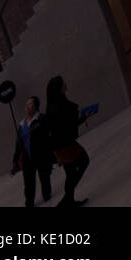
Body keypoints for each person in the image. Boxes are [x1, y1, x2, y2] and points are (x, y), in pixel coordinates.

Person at [45, 76, 89, 208]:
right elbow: (67, 125)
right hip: (64, 145)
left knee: (71, 171)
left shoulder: (55, 103)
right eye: (63, 83)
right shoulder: (58, 105)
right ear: (58, 87)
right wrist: (82, 118)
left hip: (61, 145)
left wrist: (81, 118)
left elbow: (67, 124)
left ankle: (68, 200)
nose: (65, 84)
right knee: (83, 161)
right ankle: (67, 198)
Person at [10, 95, 53, 207]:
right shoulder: (22, 124)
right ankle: (29, 202)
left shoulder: (42, 118)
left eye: (30, 104)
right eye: (27, 104)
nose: (27, 106)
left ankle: (47, 195)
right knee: (28, 182)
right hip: (27, 158)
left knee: (44, 177)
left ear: (35, 106)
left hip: (41, 155)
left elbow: (48, 135)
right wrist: (15, 161)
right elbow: (18, 144)